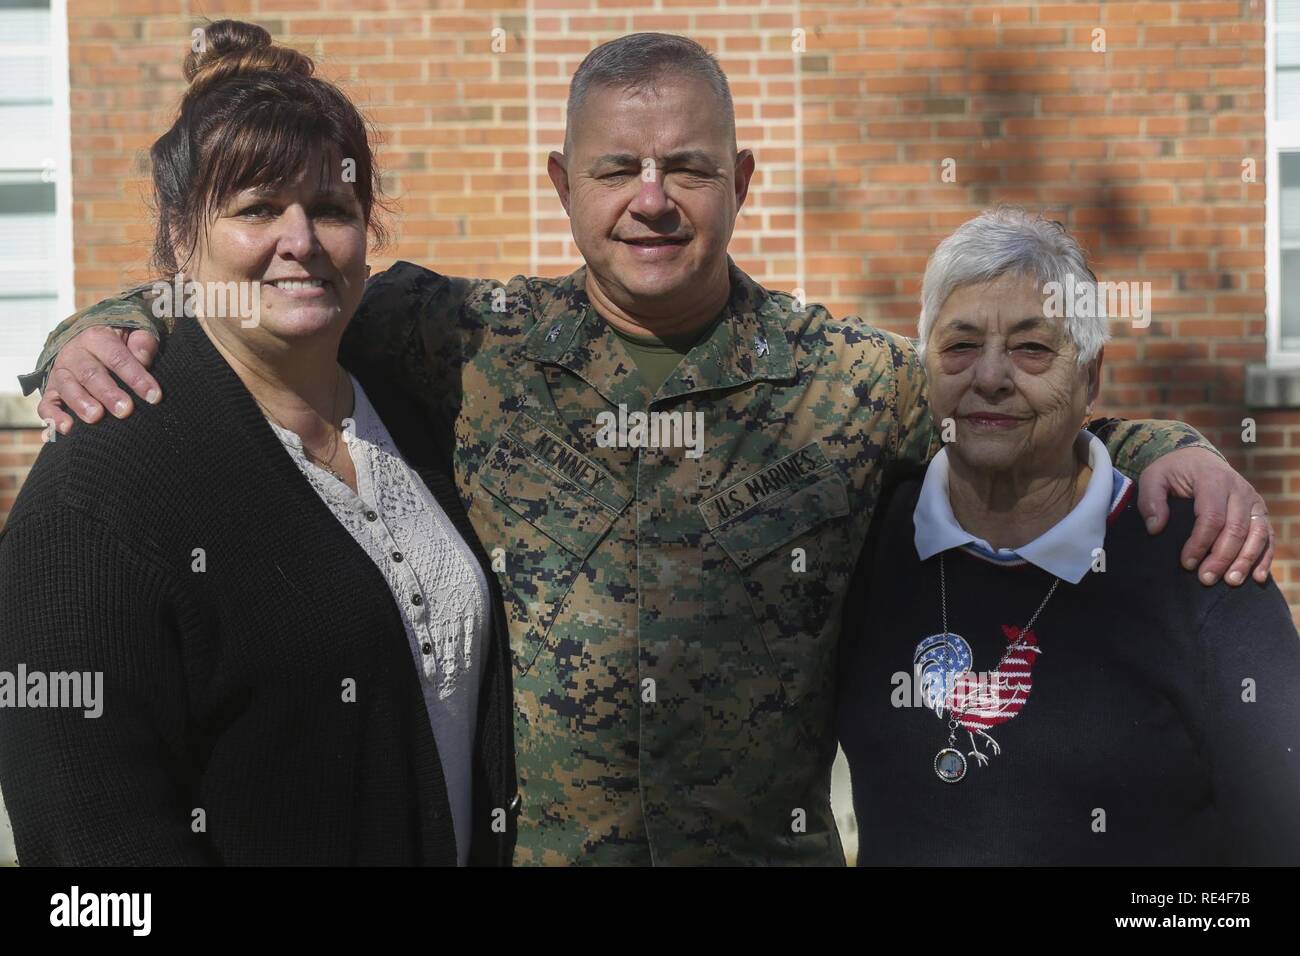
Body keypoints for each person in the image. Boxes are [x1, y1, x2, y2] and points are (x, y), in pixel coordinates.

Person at [21, 34, 1274, 866]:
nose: (651, 198)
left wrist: (1166, 442)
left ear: (743, 177)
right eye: (616, 167)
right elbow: (266, 293)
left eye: (685, 167)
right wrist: (89, 335)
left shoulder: (845, 381)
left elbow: (1012, 412)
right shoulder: (457, 335)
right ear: (561, 180)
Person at [0, 21, 516, 866]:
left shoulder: (418, 412)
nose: (301, 241)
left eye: (332, 210)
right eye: (256, 210)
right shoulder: (98, 488)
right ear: (176, 237)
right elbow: (86, 843)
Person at [837, 209, 1300, 864]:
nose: (991, 376)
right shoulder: (865, 539)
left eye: (1033, 348)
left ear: (1090, 377)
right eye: (961, 345)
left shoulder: (1196, 565)